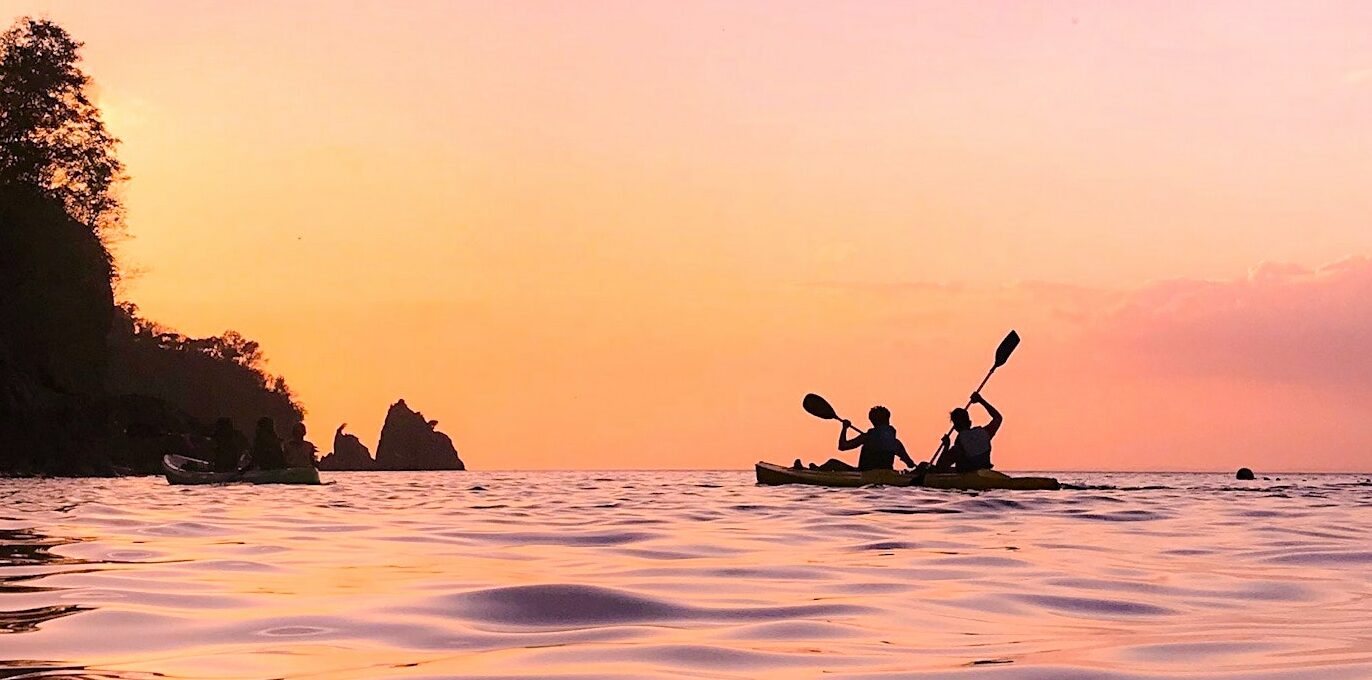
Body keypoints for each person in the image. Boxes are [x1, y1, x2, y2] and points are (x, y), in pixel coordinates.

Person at [804, 406, 916, 472]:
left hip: (863, 474)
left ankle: (814, 471)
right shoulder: (895, 443)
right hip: (886, 474)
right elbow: (910, 464)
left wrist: (844, 429)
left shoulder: (867, 437)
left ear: (873, 422)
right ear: (888, 420)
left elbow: (843, 446)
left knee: (832, 463)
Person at [934, 391, 1002, 472]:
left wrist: (946, 445)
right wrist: (981, 400)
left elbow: (940, 466)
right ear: (970, 423)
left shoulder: (960, 440)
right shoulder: (984, 432)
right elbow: (998, 418)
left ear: (955, 427)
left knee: (954, 453)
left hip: (969, 473)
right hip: (985, 471)